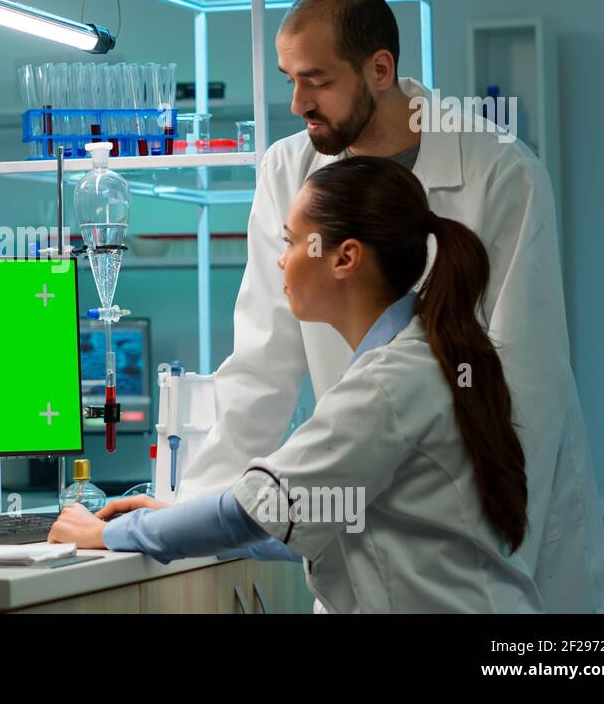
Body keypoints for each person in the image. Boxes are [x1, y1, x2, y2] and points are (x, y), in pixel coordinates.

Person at [171, 0, 604, 612]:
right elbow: (261, 365)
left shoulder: (500, 168)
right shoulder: (287, 172)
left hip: (499, 537)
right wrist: (200, 510)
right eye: (288, 78)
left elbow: (528, 382)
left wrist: (491, 549)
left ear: (380, 69)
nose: (297, 101)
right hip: (373, 540)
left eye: (317, 80)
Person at [49, 157, 543, 613]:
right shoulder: (419, 357)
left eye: (290, 241)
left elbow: (245, 514)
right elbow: (324, 519)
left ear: (344, 258)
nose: (282, 261)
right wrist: (173, 518)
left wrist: (112, 535)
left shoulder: (387, 383)